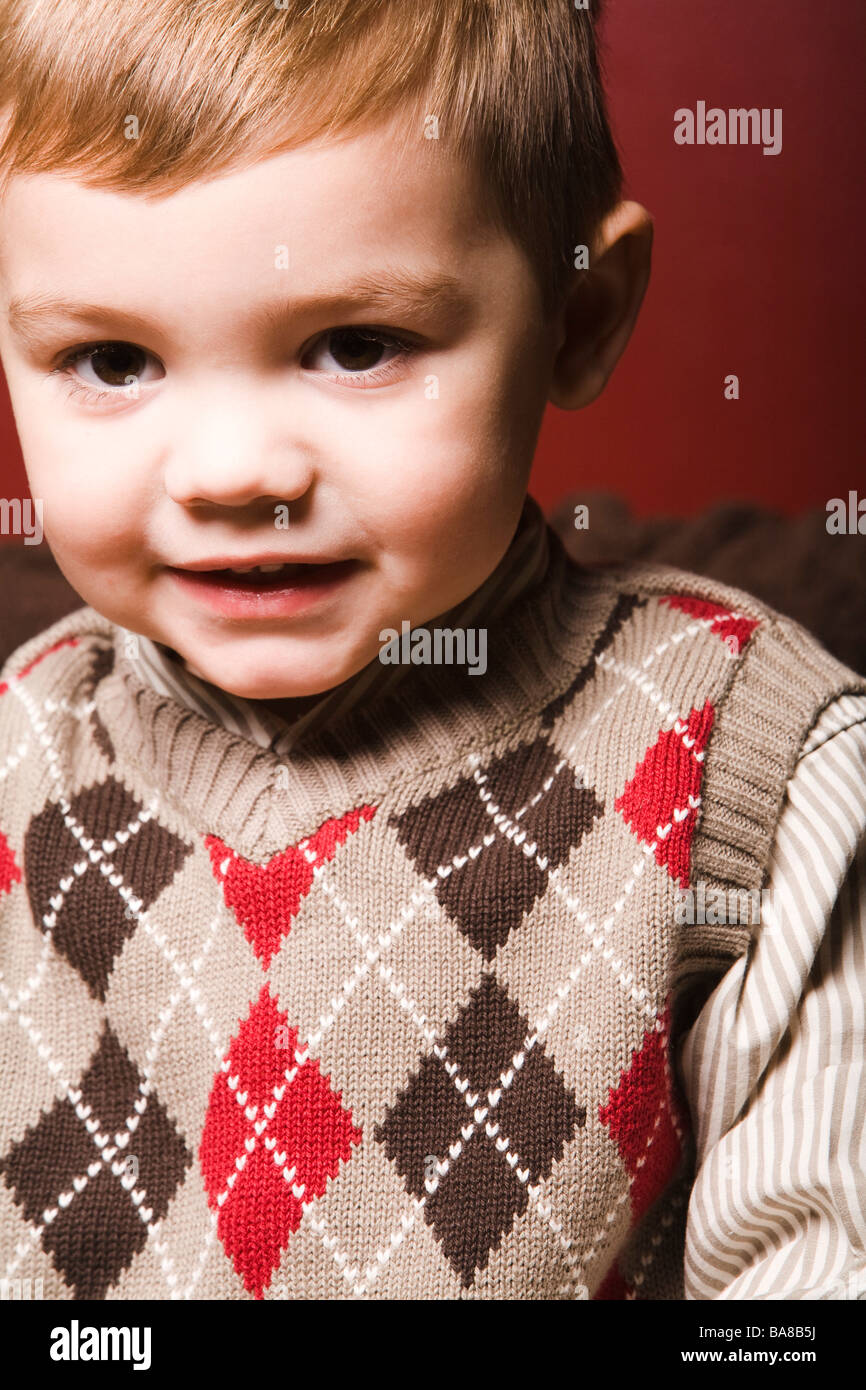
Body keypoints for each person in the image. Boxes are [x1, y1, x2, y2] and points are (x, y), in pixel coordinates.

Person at [0, 0, 863, 1301]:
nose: (234, 473)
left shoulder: (756, 765)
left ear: (579, 315)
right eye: (110, 359)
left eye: (356, 346)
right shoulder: (21, 754)